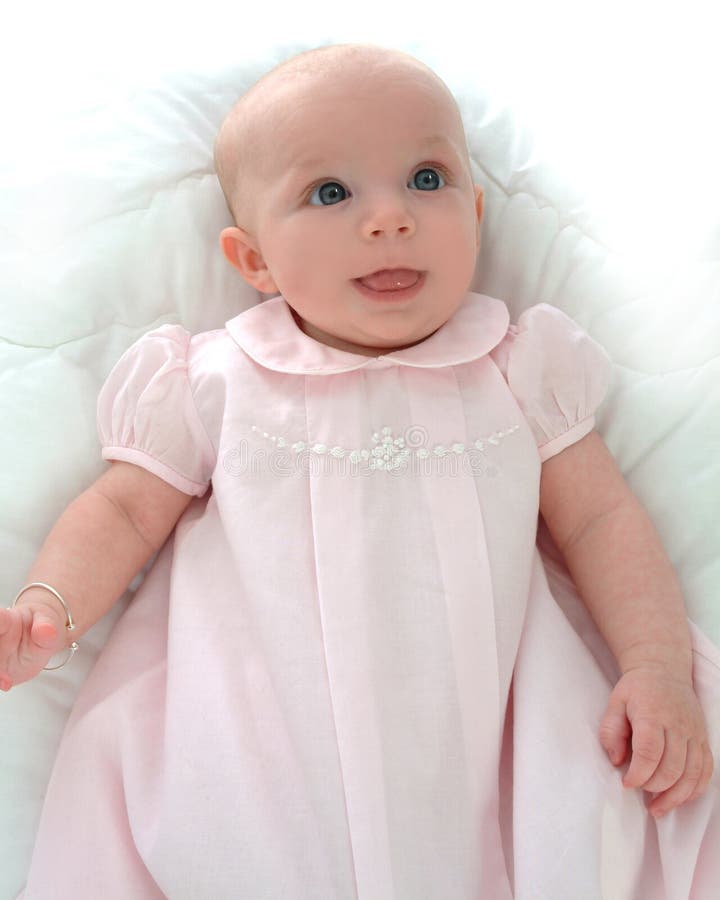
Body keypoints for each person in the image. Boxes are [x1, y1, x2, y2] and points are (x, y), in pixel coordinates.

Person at [3, 43, 718, 899]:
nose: (390, 218)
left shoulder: (518, 368)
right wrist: (48, 608)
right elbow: (122, 512)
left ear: (477, 212)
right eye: (330, 193)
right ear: (253, 261)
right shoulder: (214, 380)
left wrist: (655, 667)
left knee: (580, 835)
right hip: (259, 740)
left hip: (493, 741)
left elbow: (602, 521)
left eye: (426, 179)